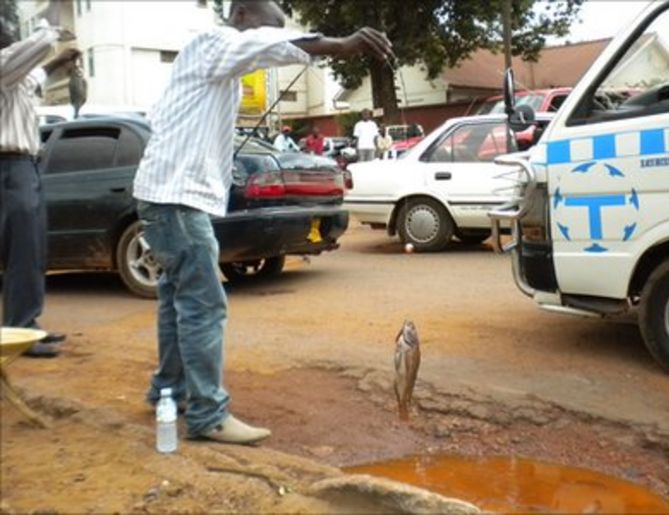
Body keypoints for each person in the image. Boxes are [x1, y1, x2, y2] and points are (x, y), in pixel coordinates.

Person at [132, 0, 393, 445]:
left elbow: (165, 118)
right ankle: (207, 415)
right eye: (272, 27)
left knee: (178, 301)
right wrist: (344, 45)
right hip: (175, 199)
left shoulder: (207, 61)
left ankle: (168, 393)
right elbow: (264, 45)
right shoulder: (217, 41)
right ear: (243, 16)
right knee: (202, 305)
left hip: (165, 195)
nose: (276, 34)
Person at [1, 6, 76, 357]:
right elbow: (34, 49)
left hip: (26, 167)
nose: (14, 36)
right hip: (9, 166)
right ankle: (20, 328)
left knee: (31, 251)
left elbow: (38, 74)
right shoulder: (4, 66)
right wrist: (52, 25)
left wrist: (62, 62)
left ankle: (26, 325)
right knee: (20, 250)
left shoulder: (16, 75)